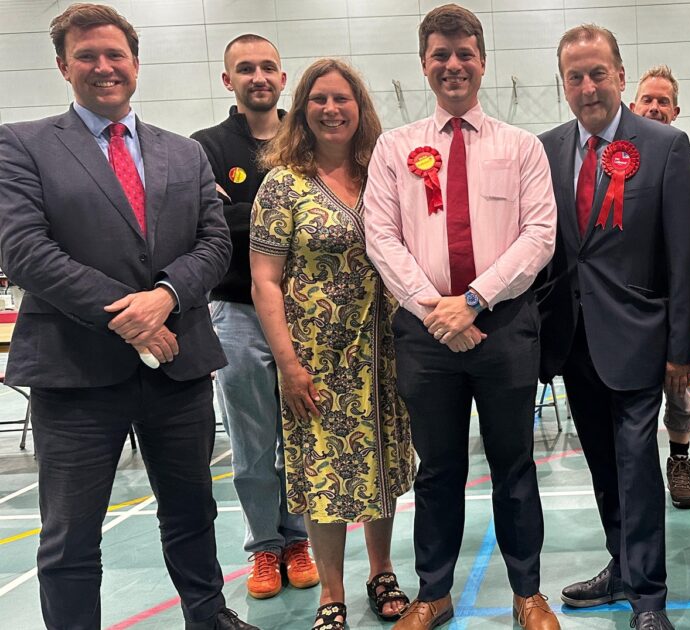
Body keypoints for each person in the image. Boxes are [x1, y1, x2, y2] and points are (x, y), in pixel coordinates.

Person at [0, 4, 253, 629]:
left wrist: (164, 297)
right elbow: (25, 249)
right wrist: (127, 314)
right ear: (64, 66)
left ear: (135, 64)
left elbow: (214, 242)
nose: (103, 67)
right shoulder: (22, 145)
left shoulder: (184, 153)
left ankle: (208, 615)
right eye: (87, 55)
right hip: (75, 372)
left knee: (193, 513)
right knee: (71, 535)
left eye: (115, 55)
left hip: (179, 366)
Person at [363, 5, 559, 630]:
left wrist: (471, 301)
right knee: (439, 469)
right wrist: (435, 310)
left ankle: (527, 593)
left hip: (503, 328)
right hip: (424, 335)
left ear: (481, 61)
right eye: (440, 55)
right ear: (424, 65)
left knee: (514, 464)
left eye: (464, 54)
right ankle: (433, 591)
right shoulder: (395, 149)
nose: (453, 65)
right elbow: (382, 238)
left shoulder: (522, 147)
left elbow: (539, 236)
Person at [538, 24, 690, 630]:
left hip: (639, 336)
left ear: (620, 74)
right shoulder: (548, 147)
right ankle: (620, 566)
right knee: (603, 466)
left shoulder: (664, 146)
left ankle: (649, 598)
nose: (588, 87)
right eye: (575, 77)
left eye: (597, 73)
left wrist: (682, 347)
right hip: (573, 339)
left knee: (636, 465)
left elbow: (687, 256)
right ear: (563, 83)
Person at [249, 58, 415, 630]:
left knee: (383, 465)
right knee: (324, 472)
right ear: (302, 109)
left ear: (359, 108)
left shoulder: (383, 175)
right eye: (318, 98)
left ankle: (382, 570)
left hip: (384, 352)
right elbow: (264, 280)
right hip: (315, 359)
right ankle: (330, 592)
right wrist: (287, 364)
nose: (331, 108)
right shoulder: (282, 185)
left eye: (342, 98)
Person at [191, 33, 319, 601]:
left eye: (269, 66)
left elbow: (322, 213)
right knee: (251, 440)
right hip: (237, 310)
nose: (259, 77)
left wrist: (249, 212)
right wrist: (278, 212)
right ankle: (264, 547)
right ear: (229, 81)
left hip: (309, 313)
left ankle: (298, 540)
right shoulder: (205, 147)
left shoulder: (309, 135)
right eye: (246, 69)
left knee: (303, 436)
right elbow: (215, 226)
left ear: (283, 77)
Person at [628, 64, 690, 510]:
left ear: (675, 110)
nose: (654, 108)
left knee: (680, 398)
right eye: (647, 100)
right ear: (633, 105)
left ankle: (679, 463)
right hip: (629, 309)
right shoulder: (612, 158)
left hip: (673, 306)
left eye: (663, 101)